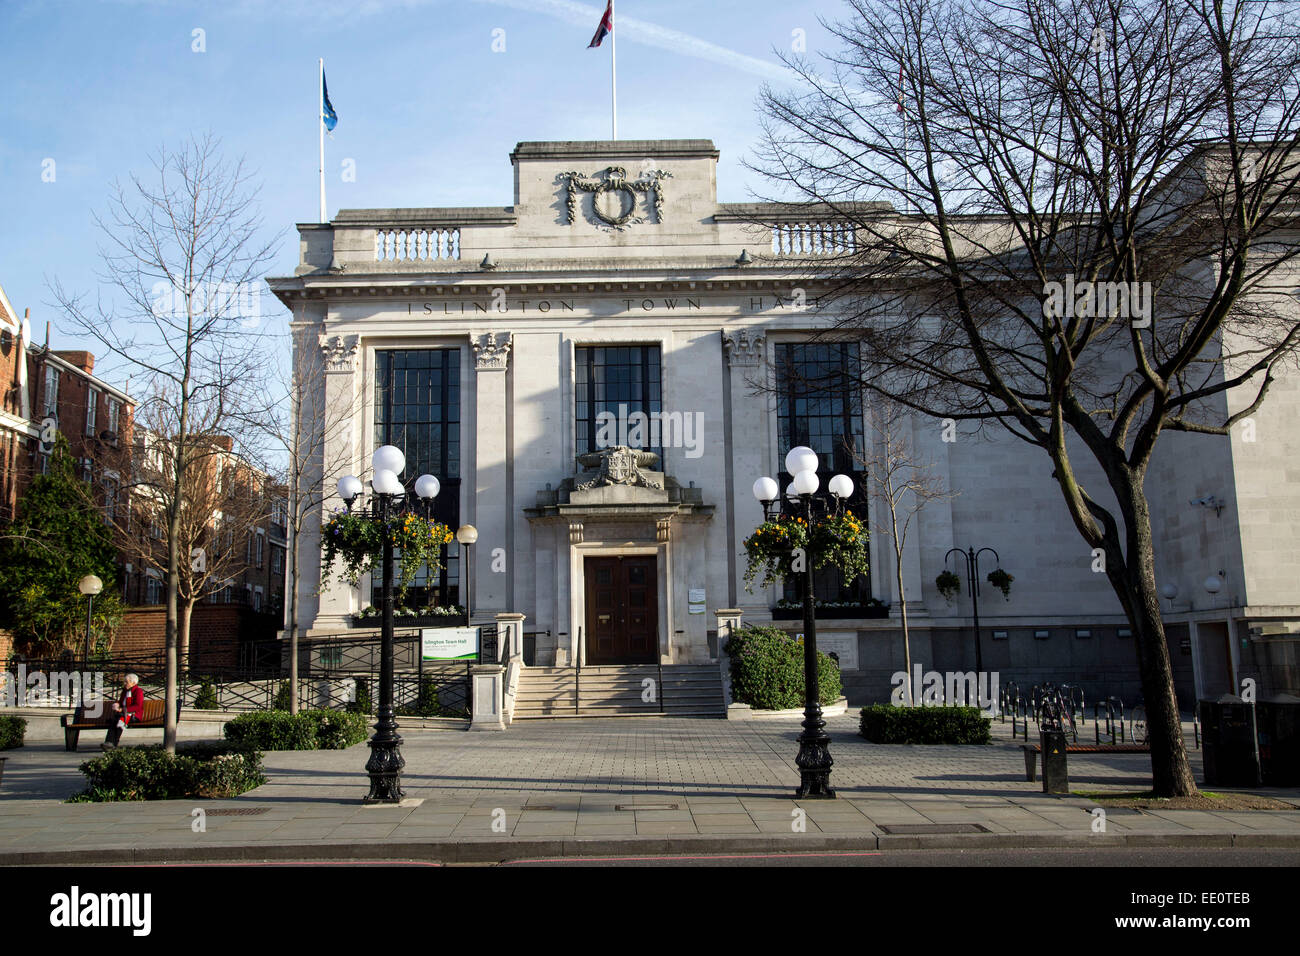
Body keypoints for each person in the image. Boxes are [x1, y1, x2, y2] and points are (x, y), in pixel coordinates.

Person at [102, 673, 143, 750]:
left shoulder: (138, 691)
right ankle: (109, 743)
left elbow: (138, 706)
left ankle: (112, 743)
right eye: (124, 682)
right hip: (123, 714)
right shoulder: (125, 691)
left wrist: (123, 710)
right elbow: (121, 702)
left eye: (126, 682)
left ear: (133, 683)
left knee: (120, 720)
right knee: (115, 720)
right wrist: (117, 705)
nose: (124, 684)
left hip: (133, 715)